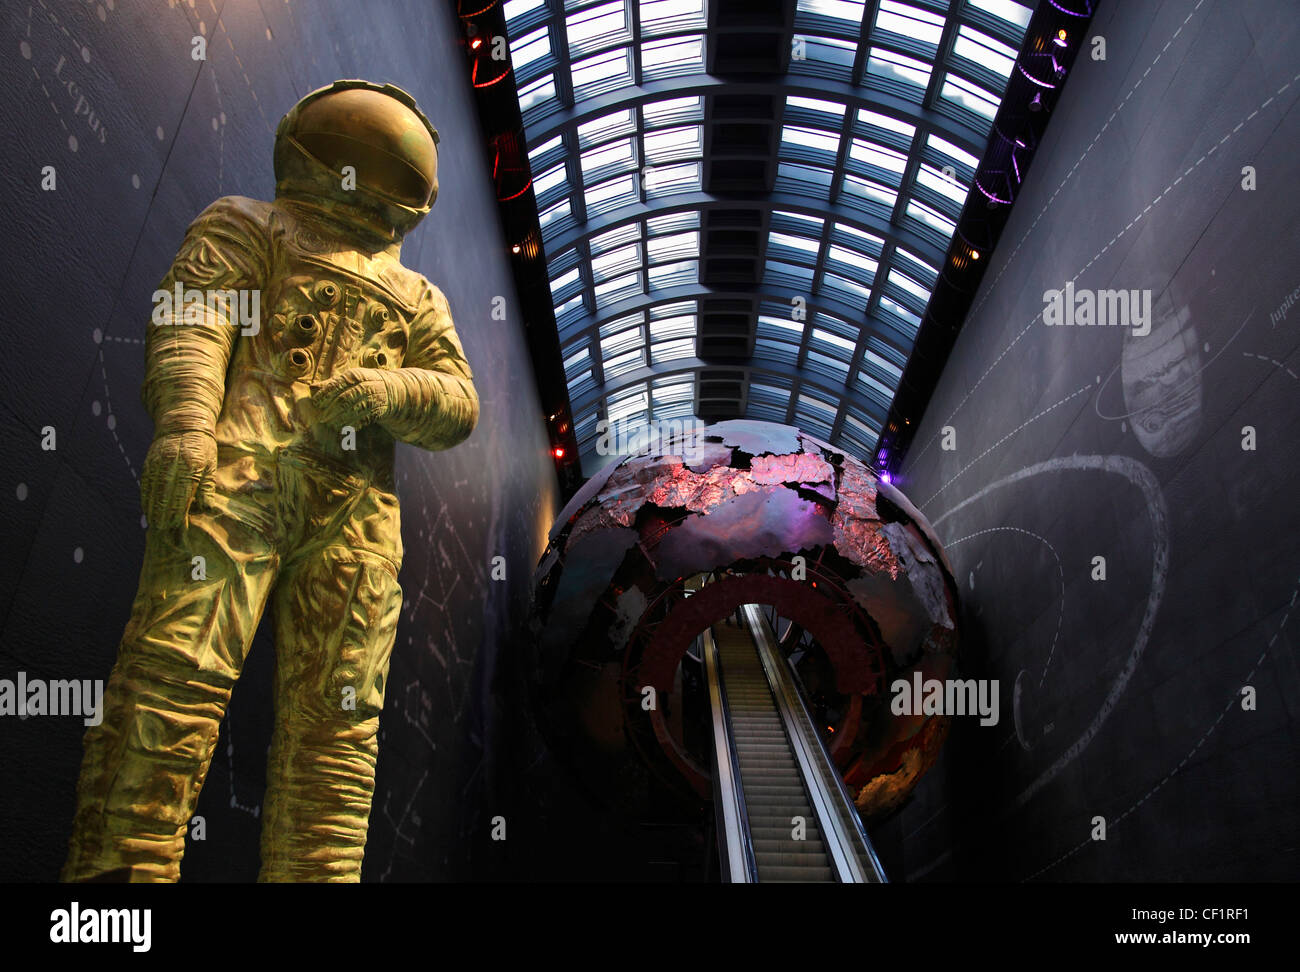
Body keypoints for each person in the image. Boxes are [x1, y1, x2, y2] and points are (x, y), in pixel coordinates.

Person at [62, 80, 479, 882]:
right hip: (239, 477)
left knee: (336, 751)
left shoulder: (417, 295)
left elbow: (457, 404)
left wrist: (391, 391)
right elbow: (197, 318)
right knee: (168, 697)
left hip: (349, 520)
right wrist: (186, 421)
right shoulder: (252, 224)